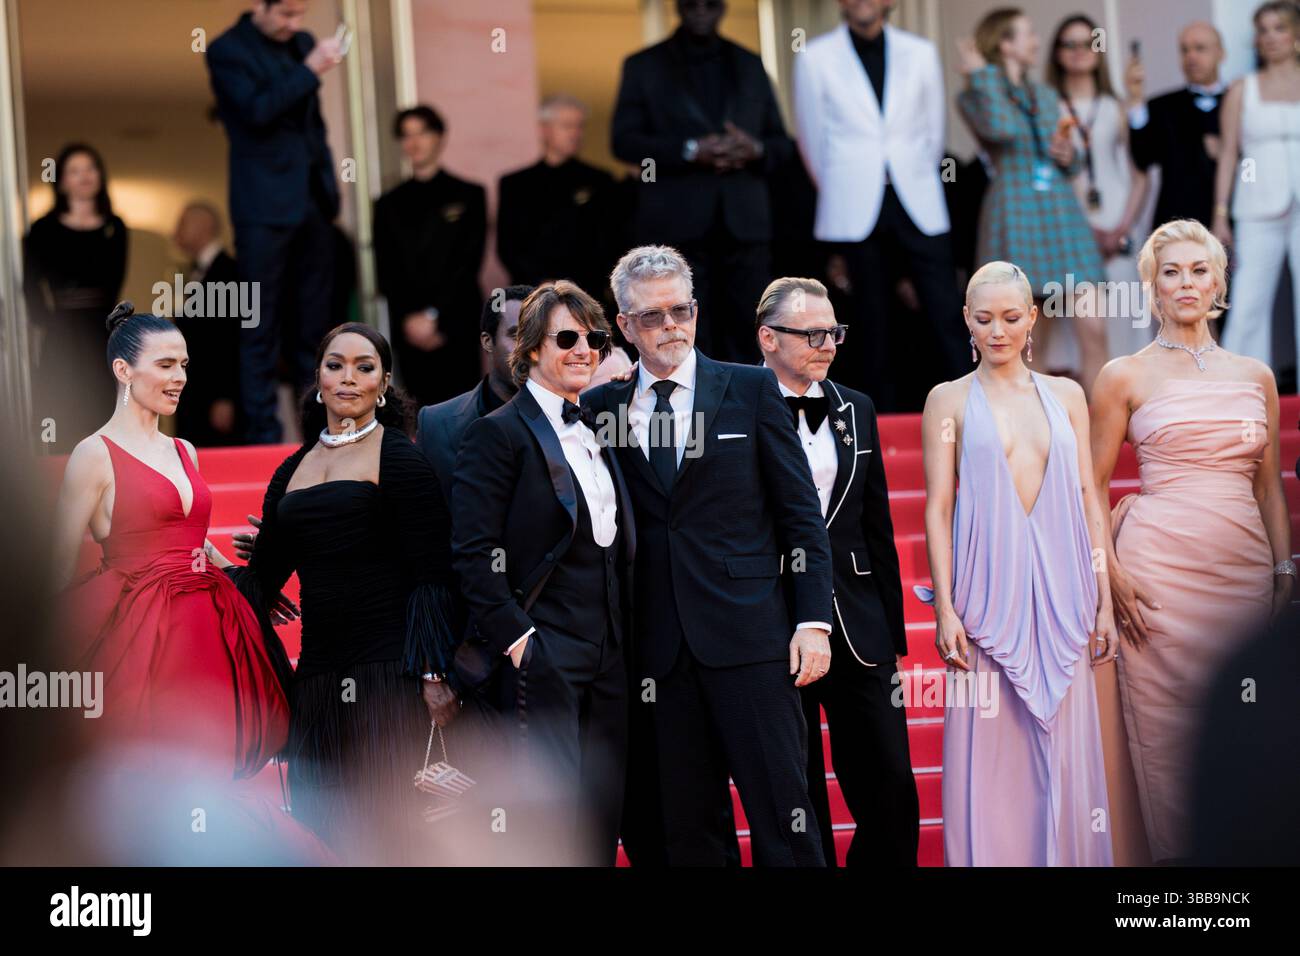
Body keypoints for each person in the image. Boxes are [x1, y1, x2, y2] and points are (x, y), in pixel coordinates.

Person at [583, 245, 833, 867]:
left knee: (786, 819)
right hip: (656, 654)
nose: (670, 325)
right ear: (623, 325)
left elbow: (800, 516)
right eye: (651, 316)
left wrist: (812, 621)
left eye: (681, 310)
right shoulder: (600, 409)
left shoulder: (749, 389)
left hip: (752, 640)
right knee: (689, 832)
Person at [50, 302, 323, 862]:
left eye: (185, 365)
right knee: (157, 767)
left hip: (210, 624)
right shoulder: (92, 455)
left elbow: (193, 537)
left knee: (212, 764)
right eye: (166, 364)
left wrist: (250, 583)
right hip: (142, 633)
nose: (180, 377)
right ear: (124, 371)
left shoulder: (184, 448)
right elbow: (55, 565)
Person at [1090, 219, 1292, 864]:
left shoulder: (1256, 375)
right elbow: (1089, 487)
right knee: (1169, 735)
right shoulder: (1124, 375)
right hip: (1158, 576)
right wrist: (1110, 573)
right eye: (1171, 272)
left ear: (1219, 282)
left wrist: (1285, 570)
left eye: (1198, 270)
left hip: (1243, 568)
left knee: (1254, 728)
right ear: (1151, 286)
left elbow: (1268, 489)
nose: (1186, 283)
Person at [230, 323, 464, 864]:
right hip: (316, 682)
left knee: (391, 829)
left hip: (388, 679)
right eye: (335, 365)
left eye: (364, 367)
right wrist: (217, 567)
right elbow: (264, 575)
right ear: (317, 378)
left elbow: (433, 575)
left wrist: (433, 675)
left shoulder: (402, 460)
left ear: (384, 382)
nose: (348, 378)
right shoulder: (292, 470)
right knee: (326, 832)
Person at [920, 261, 1115, 867]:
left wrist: (1104, 601)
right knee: (991, 762)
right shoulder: (946, 399)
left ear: (1033, 317)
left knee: (1066, 759)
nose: (998, 331)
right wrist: (946, 610)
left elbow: (1089, 497)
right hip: (985, 603)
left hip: (1066, 595)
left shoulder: (1068, 394)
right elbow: (938, 508)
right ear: (966, 322)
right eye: (984, 319)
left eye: (1011, 317)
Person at [450, 281, 632, 866]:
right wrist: (522, 643)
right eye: (567, 338)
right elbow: (473, 553)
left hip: (611, 654)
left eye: (594, 339)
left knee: (602, 815)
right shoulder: (497, 433)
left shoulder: (600, 427)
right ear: (529, 349)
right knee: (552, 825)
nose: (584, 349)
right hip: (545, 654)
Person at [755, 277, 920, 867]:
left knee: (893, 787)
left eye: (834, 332)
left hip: (858, 625)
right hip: (777, 623)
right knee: (798, 793)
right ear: (767, 338)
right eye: (812, 333)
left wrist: (892, 635)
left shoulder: (858, 407)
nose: (827, 343)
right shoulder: (736, 407)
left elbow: (877, 528)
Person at [793, 0, 968, 409]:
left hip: (916, 195)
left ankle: (966, 409)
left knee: (944, 308)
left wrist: (911, 174)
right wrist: (843, 186)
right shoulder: (814, 57)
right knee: (868, 320)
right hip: (852, 200)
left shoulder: (920, 52)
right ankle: (878, 422)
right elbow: (812, 140)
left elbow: (933, 131)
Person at [611, 0, 792, 365]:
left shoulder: (750, 63)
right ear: (679, 6)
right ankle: (690, 416)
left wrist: (753, 149)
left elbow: (781, 145)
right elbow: (624, 141)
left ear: (722, 7)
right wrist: (690, 150)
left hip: (744, 224)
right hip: (677, 226)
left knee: (751, 324)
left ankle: (751, 412)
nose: (700, 10)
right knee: (682, 327)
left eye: (710, 3)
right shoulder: (644, 65)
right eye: (692, 2)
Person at [207, 0, 344, 445]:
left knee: (315, 328)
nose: (294, 24)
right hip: (262, 208)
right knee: (259, 326)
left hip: (310, 204)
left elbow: (310, 127)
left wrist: (328, 191)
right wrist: (309, 70)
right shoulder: (226, 50)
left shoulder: (300, 43)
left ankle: (319, 433)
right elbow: (255, 112)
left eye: (300, 13)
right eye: (285, 14)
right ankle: (263, 437)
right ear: (257, 6)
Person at [956, 9, 1107, 397]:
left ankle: (1098, 430)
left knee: (1094, 324)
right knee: (1029, 337)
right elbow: (1001, 129)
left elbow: (1071, 161)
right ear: (1005, 43)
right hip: (1016, 211)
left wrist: (1065, 152)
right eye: (1027, 35)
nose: (1036, 42)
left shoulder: (1043, 93)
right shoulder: (975, 93)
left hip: (1059, 210)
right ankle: (1034, 434)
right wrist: (984, 76)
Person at [1045, 14, 1151, 375]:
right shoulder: (1048, 108)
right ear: (1057, 53)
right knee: (1081, 321)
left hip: (1119, 223)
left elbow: (1140, 175)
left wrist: (1123, 226)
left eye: (1087, 43)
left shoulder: (1116, 106)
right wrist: (1086, 230)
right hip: (1071, 227)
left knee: (1124, 314)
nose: (1079, 52)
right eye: (1068, 44)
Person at [373, 105, 487, 408]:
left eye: (422, 133)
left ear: (438, 137)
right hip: (408, 331)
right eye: (406, 135)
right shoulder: (388, 204)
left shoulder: (470, 194)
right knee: (417, 415)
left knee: (465, 413)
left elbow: (468, 263)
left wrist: (436, 316)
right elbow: (387, 270)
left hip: (456, 325)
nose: (414, 142)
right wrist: (412, 318)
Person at [1213, 1, 1300, 373]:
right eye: (1262, 30)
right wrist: (1221, 214)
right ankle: (1241, 389)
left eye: (1278, 28)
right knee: (1248, 300)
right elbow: (1229, 154)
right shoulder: (1242, 89)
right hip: (1255, 207)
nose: (1269, 37)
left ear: (1295, 34)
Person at [23, 143, 127, 452]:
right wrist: (45, 322)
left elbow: (115, 282)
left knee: (102, 402)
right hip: (61, 329)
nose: (84, 177)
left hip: (101, 329)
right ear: (62, 180)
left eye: (90, 169)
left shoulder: (115, 226)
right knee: (60, 402)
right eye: (75, 171)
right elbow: (29, 285)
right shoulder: (42, 229)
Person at [416, 284, 531, 504]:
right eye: (516, 335)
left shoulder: (574, 417)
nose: (528, 347)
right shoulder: (435, 425)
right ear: (487, 341)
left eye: (537, 335)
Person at [497, 96, 615, 299]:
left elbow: (606, 242)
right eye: (567, 126)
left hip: (586, 295)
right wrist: (541, 282)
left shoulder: (600, 181)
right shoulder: (515, 184)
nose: (575, 133)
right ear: (544, 129)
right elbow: (508, 245)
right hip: (531, 296)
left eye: (580, 126)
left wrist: (574, 286)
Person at [1124, 21, 1227, 232]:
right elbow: (1143, 158)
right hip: (1176, 224)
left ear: (1221, 53)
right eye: (1184, 50)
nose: (1191, 56)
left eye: (1200, 48)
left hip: (1231, 223)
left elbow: (1252, 168)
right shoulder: (1162, 106)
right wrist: (1135, 100)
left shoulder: (1238, 101)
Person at [170, 201, 242, 447]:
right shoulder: (192, 272)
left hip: (213, 396)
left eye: (182, 223)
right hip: (195, 392)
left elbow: (230, 338)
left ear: (203, 227)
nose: (175, 231)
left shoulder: (227, 272)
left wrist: (225, 397)